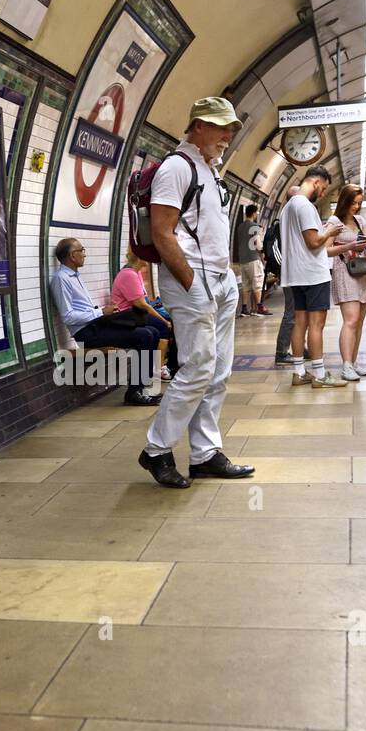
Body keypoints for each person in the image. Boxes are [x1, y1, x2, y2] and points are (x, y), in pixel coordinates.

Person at [137, 96, 255, 489]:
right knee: (198, 366)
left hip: (219, 279)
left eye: (230, 128)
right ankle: (156, 450)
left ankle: (204, 454)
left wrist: (226, 280)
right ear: (198, 125)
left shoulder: (210, 170)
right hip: (193, 279)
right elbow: (161, 232)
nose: (227, 135)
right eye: (221, 127)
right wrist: (190, 280)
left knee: (218, 371)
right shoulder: (176, 167)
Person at [49, 238, 161, 406]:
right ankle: (134, 392)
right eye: (82, 250)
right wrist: (100, 311)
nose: (84, 254)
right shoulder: (61, 279)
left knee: (153, 332)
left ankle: (140, 388)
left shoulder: (75, 276)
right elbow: (68, 316)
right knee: (144, 336)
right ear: (73, 255)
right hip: (86, 333)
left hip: (97, 325)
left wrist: (106, 312)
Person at [278, 166, 345, 387]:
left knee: (300, 323)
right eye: (323, 188)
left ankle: (299, 372)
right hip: (313, 275)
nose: (323, 193)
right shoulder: (304, 206)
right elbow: (314, 242)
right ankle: (319, 374)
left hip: (294, 274)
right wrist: (329, 232)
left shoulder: (288, 207)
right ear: (316, 182)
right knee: (316, 325)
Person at [325, 184, 366, 381]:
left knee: (360, 320)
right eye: (353, 203)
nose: (356, 207)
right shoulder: (334, 221)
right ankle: (346, 366)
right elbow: (325, 250)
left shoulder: (360, 220)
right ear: (344, 201)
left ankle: (353, 363)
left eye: (359, 203)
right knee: (351, 319)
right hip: (344, 271)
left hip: (362, 272)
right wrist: (348, 245)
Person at [112, 250, 179, 380]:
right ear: (138, 257)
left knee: (173, 322)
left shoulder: (136, 273)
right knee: (163, 326)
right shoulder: (128, 274)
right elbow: (141, 304)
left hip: (136, 314)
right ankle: (158, 369)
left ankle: (170, 365)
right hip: (128, 316)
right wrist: (164, 321)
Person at [270, 187, 295, 366]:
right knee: (292, 312)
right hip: (291, 273)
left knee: (299, 312)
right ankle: (281, 352)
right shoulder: (286, 219)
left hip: (294, 272)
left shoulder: (286, 217)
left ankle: (298, 346)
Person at [232, 205, 268, 317]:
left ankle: (244, 308)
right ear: (253, 213)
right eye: (256, 213)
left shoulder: (240, 227)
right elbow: (257, 245)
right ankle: (260, 307)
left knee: (246, 285)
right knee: (257, 283)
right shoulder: (254, 226)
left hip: (243, 260)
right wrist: (263, 252)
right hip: (253, 258)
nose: (257, 215)